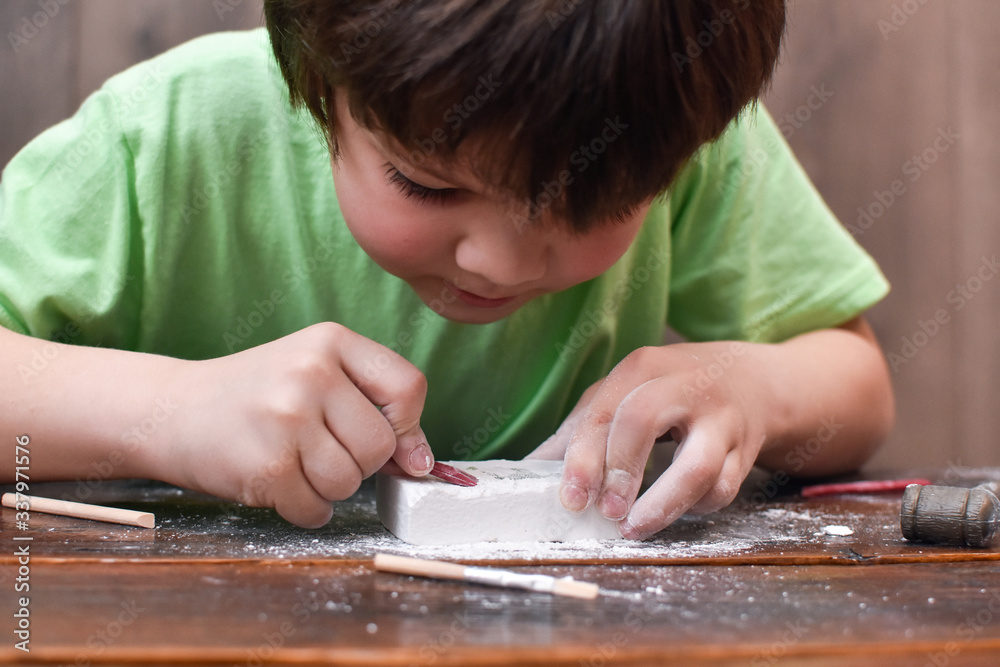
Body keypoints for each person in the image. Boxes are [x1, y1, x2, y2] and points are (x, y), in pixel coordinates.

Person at [0, 0, 894, 539]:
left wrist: (753, 387)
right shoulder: (165, 139)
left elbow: (859, 390)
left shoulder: (666, 117)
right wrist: (167, 413)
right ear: (318, 80)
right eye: (425, 185)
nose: (499, 262)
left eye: (589, 206)